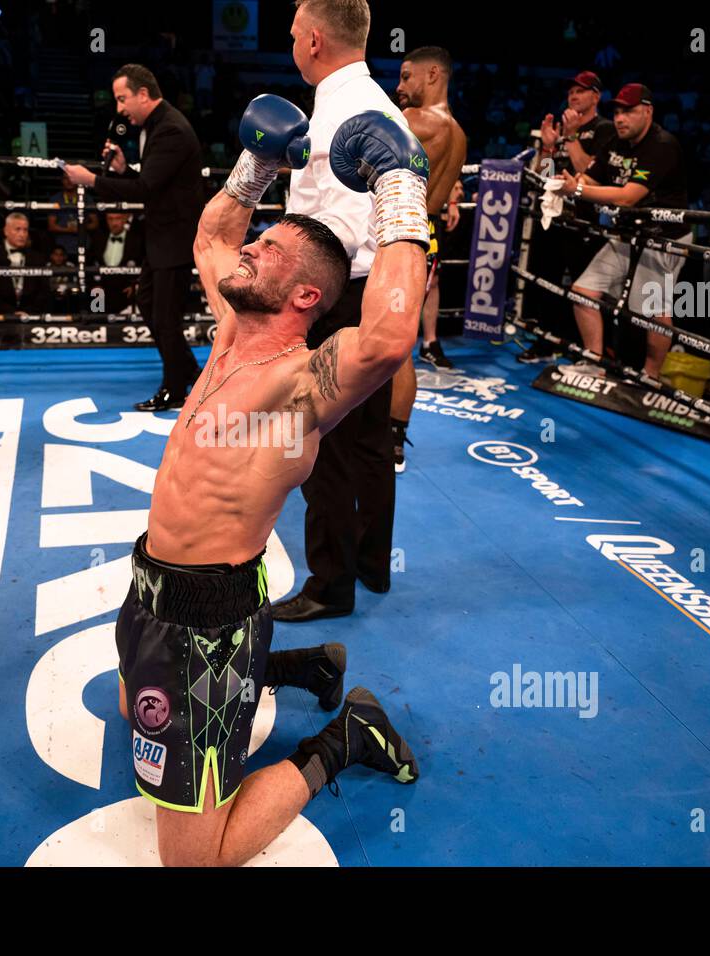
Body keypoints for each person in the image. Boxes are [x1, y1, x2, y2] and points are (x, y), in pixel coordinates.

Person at [115, 94, 426, 866]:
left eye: (273, 250)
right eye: (264, 234)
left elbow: (388, 336)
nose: (251, 247)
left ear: (307, 298)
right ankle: (300, 667)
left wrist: (400, 185)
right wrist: (256, 166)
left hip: (209, 623)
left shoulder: (296, 385)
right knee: (131, 708)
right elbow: (212, 232)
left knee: (197, 860)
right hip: (150, 583)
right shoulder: (232, 324)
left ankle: (349, 734)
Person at [271, 0, 408, 622]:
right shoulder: (370, 100)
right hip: (370, 287)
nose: (292, 43)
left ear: (316, 40)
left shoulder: (343, 110)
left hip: (341, 292)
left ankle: (331, 584)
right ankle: (371, 565)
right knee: (370, 438)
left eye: (295, 33)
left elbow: (344, 230)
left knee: (320, 438)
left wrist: (299, 295)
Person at [63, 64, 204, 411]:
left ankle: (175, 389)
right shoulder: (156, 126)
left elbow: (144, 189)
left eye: (122, 99)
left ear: (143, 94)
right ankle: (186, 369)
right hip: (162, 236)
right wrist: (122, 170)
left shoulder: (170, 129)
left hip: (176, 237)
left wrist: (91, 181)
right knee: (147, 303)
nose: (119, 109)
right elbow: (155, 179)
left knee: (165, 317)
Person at [556, 83, 690, 379]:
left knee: (654, 312)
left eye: (628, 111)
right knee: (583, 292)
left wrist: (577, 189)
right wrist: (567, 183)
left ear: (648, 112)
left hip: (664, 238)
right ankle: (594, 362)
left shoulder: (662, 145)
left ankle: (651, 377)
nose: (619, 118)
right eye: (616, 111)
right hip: (627, 233)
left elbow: (629, 196)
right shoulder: (616, 143)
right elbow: (590, 177)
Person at [386, 45, 468, 474]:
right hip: (428, 237)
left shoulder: (415, 121)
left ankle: (387, 441)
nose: (399, 88)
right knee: (399, 344)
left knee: (391, 346)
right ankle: (394, 437)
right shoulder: (458, 132)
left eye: (405, 77)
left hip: (399, 235)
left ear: (433, 74)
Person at [519, 70, 617, 364]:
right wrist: (549, 146)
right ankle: (546, 341)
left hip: (584, 222)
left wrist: (571, 137)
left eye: (581, 91)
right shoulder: (561, 129)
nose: (573, 96)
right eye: (571, 91)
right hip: (553, 219)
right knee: (545, 282)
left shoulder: (605, 130)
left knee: (581, 287)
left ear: (596, 96)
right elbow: (545, 176)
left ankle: (583, 348)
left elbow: (590, 171)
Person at [0, 212, 46, 314]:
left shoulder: (38, 258)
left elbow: (43, 291)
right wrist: (11, 313)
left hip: (32, 317)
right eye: (17, 229)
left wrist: (27, 312)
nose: (22, 234)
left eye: (25, 230)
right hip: (1, 317)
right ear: (6, 231)